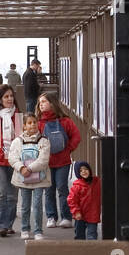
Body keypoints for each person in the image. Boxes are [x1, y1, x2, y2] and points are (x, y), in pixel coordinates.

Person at [36, 93, 81, 227]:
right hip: (46, 163)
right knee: (49, 190)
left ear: (52, 103)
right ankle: (51, 217)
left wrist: (68, 149)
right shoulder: (39, 123)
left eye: (44, 101)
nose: (41, 104)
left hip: (63, 161)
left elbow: (76, 136)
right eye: (40, 103)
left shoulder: (65, 121)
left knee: (62, 188)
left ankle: (66, 217)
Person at [8, 113, 51, 241]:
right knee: (25, 205)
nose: (32, 125)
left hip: (39, 178)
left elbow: (44, 159)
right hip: (23, 178)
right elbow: (12, 157)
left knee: (37, 204)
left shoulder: (44, 141)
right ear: (24, 126)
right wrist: (21, 168)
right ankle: (25, 228)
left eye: (34, 122)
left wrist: (30, 169)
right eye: (29, 123)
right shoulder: (17, 141)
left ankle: (38, 230)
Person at [0, 82, 20, 237]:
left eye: (11, 96)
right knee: (2, 192)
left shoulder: (18, 116)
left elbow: (22, 138)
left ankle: (8, 224)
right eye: (6, 96)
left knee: (13, 194)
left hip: (15, 160)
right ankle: (1, 225)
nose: (9, 99)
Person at [68, 159, 101, 240]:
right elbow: (72, 200)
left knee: (92, 235)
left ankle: (91, 251)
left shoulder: (97, 182)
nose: (84, 172)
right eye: (80, 170)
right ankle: (80, 250)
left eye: (86, 169)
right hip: (80, 215)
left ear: (89, 170)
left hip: (93, 214)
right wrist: (76, 212)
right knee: (79, 235)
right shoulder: (77, 186)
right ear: (78, 173)